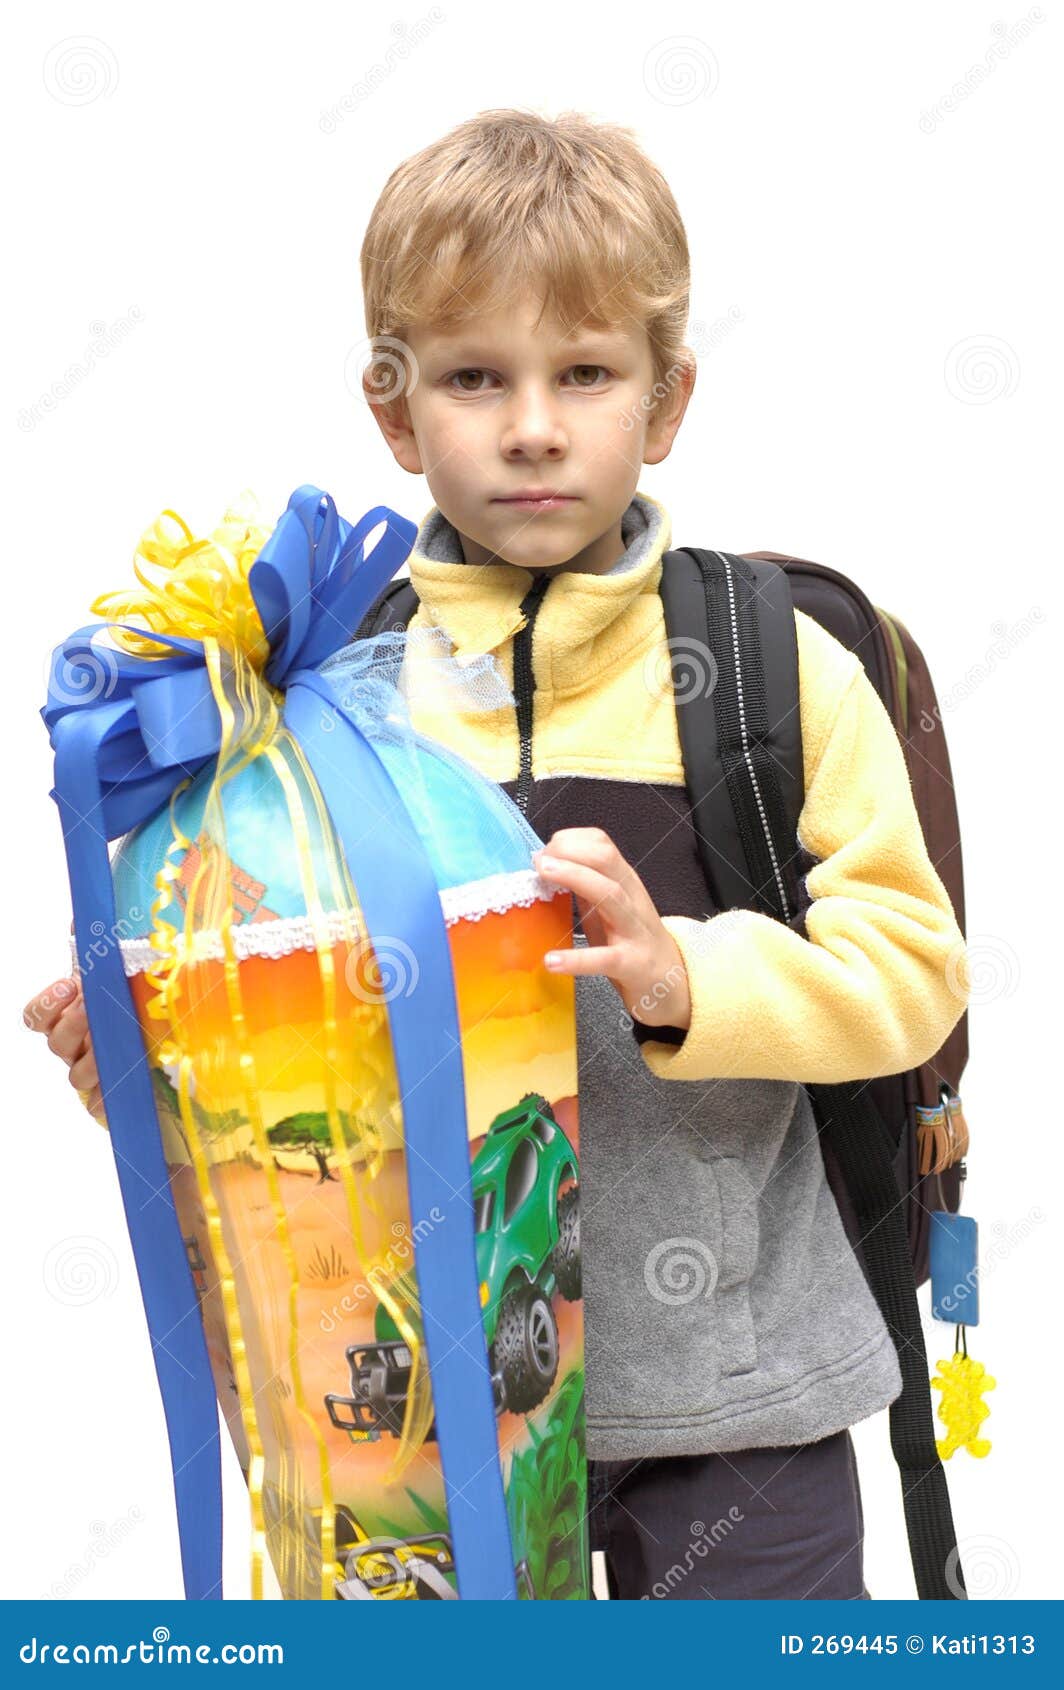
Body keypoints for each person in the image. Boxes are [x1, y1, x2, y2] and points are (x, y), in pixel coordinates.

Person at [24, 107, 970, 1600]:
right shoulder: (322, 707)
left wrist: (683, 976)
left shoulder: (776, 671)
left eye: (585, 374)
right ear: (397, 416)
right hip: (426, 1403)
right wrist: (155, 1066)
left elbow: (912, 974)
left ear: (665, 401)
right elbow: (298, 1036)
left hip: (739, 1400)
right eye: (476, 377)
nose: (533, 425)